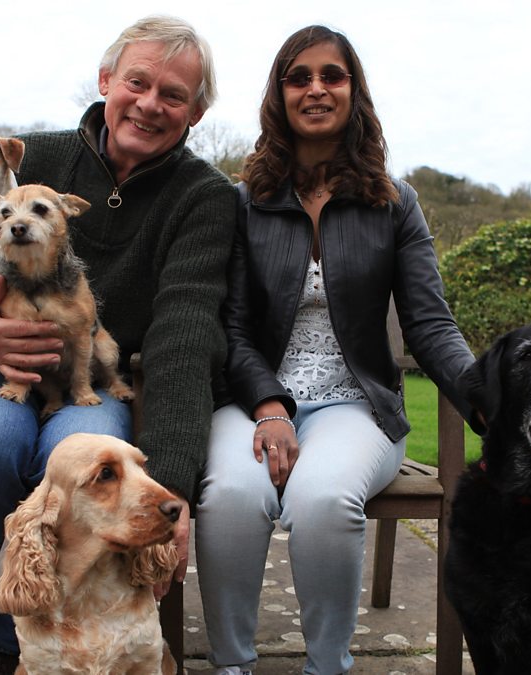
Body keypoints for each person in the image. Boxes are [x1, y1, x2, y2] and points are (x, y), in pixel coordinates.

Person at [0, 16, 235, 675]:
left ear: (196, 112)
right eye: (137, 81)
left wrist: (174, 486)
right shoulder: (31, 159)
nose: (150, 103)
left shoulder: (203, 197)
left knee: (86, 466)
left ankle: (16, 643)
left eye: (174, 94)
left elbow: (185, 338)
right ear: (107, 80)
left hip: (89, 387)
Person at [195, 25, 477, 675]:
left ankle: (327, 665)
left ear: (354, 90)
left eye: (332, 75)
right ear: (279, 94)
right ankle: (232, 664)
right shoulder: (245, 204)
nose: (316, 88)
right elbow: (231, 327)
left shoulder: (394, 203)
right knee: (232, 494)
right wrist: (267, 405)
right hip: (251, 397)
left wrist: (487, 397)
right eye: (299, 76)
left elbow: (431, 325)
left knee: (324, 498)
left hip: (358, 404)